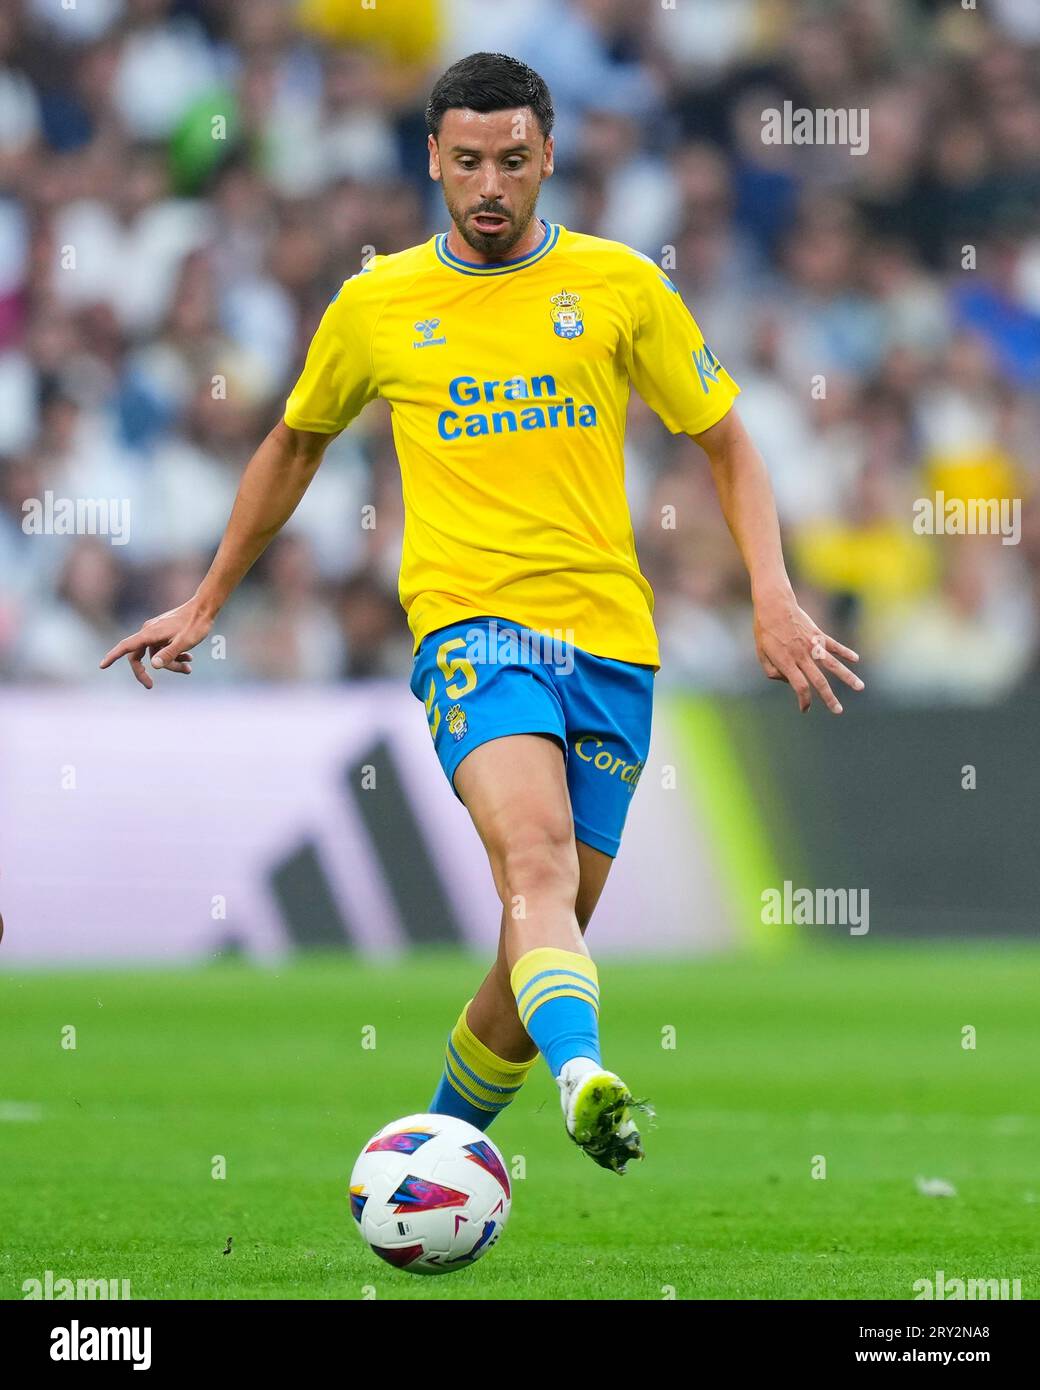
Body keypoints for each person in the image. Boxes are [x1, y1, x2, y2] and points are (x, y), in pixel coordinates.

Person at [101, 53, 863, 1174]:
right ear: (431, 161)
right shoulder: (377, 304)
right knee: (536, 862)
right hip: (472, 631)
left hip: (610, 644)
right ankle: (583, 1075)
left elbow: (726, 441)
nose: (489, 186)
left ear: (548, 156)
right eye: (466, 163)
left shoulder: (617, 287)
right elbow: (295, 442)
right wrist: (210, 596)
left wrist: (771, 594)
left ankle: (432, 1158)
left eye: (511, 161)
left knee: (531, 946)